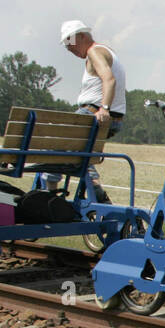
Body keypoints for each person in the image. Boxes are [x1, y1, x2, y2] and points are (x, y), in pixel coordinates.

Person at [53, 20, 127, 200]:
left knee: (52, 145)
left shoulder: (94, 52)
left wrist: (104, 108)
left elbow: (109, 79)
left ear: (83, 36)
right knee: (77, 155)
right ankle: (95, 189)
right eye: (66, 45)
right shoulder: (105, 52)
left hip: (92, 115)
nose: (69, 48)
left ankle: (49, 194)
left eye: (70, 42)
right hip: (111, 119)